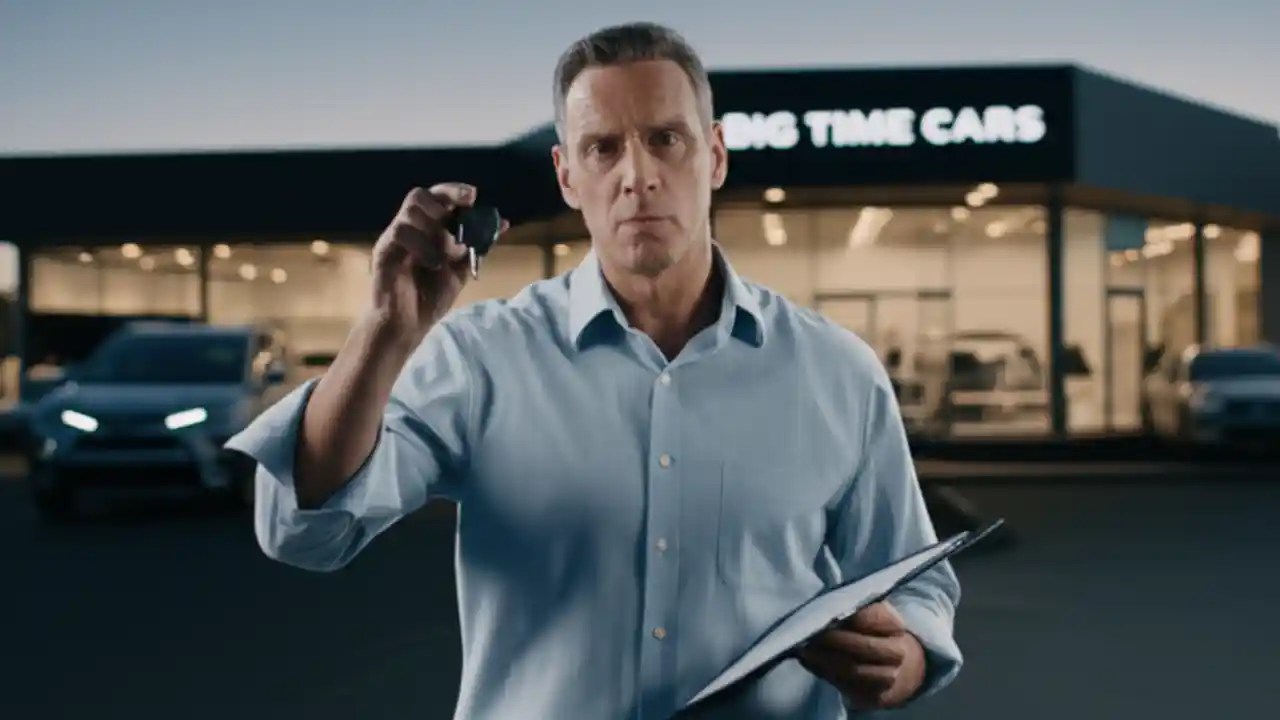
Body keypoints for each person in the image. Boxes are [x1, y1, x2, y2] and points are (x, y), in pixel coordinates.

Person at [227, 21, 962, 719]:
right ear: (568, 175)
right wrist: (384, 334)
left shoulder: (836, 371)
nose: (637, 176)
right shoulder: (478, 359)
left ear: (715, 155)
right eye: (603, 148)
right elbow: (305, 530)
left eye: (665, 139)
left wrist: (906, 660)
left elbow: (917, 580)